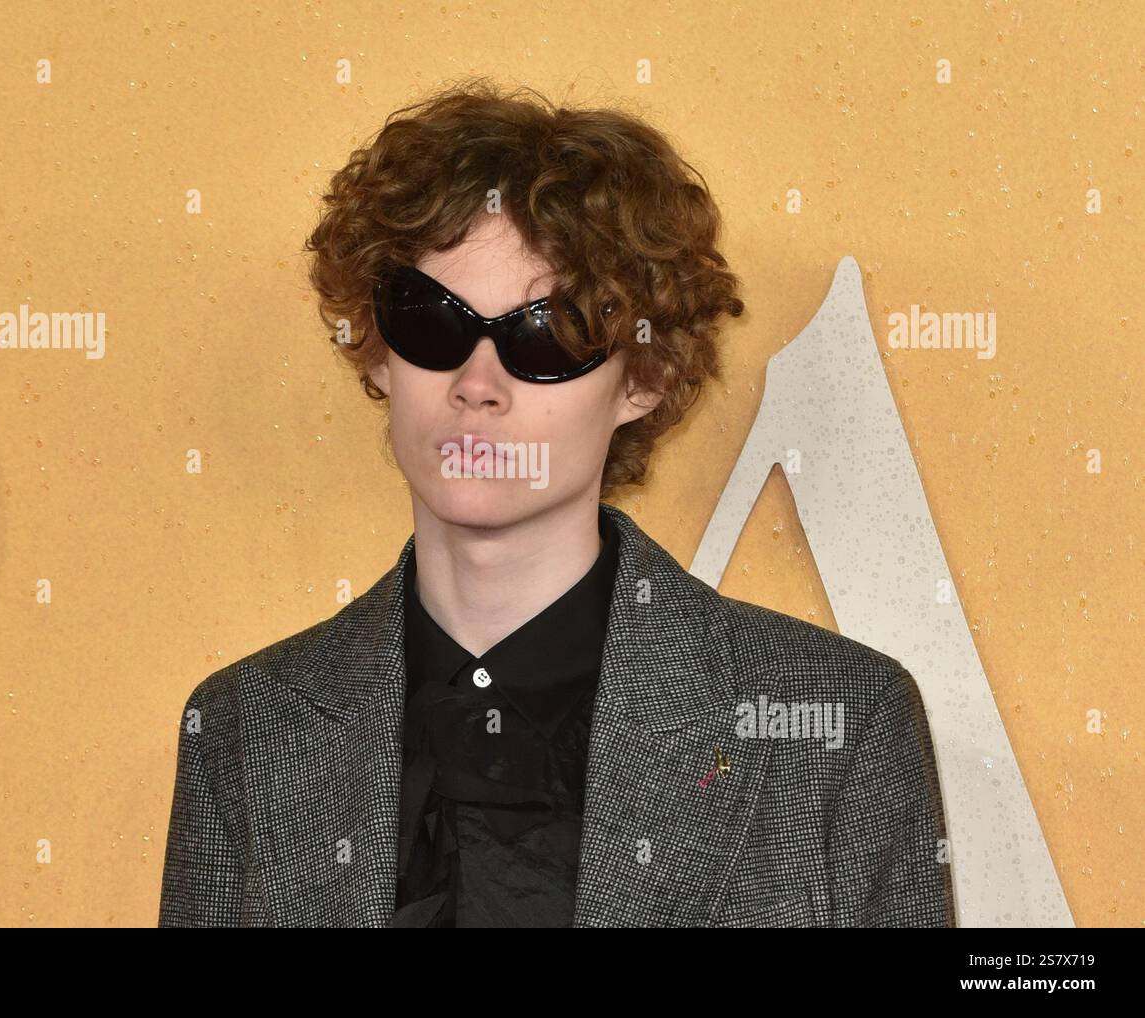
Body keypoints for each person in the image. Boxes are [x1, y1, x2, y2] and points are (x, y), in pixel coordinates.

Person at [157, 78, 957, 928]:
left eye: (545, 337)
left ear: (642, 380)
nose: (477, 385)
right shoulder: (248, 728)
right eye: (430, 320)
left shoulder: (838, 724)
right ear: (379, 353)